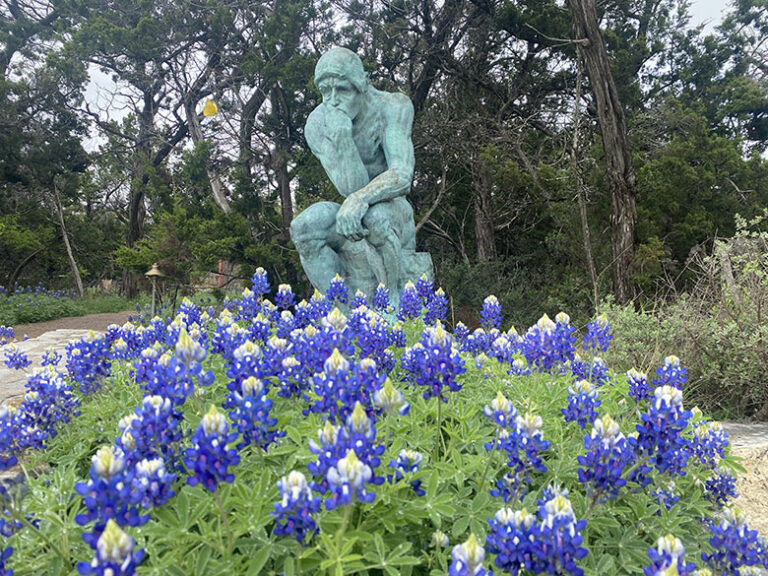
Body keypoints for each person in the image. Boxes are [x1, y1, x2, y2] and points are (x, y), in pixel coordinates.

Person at [290, 46, 418, 296]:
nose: (333, 99)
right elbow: (350, 188)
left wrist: (361, 199)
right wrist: (343, 139)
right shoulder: (318, 124)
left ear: (363, 84)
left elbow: (402, 175)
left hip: (393, 209)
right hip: (351, 210)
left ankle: (391, 304)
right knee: (303, 227)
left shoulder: (392, 106)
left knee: (374, 216)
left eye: (343, 89)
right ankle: (343, 314)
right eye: (325, 91)